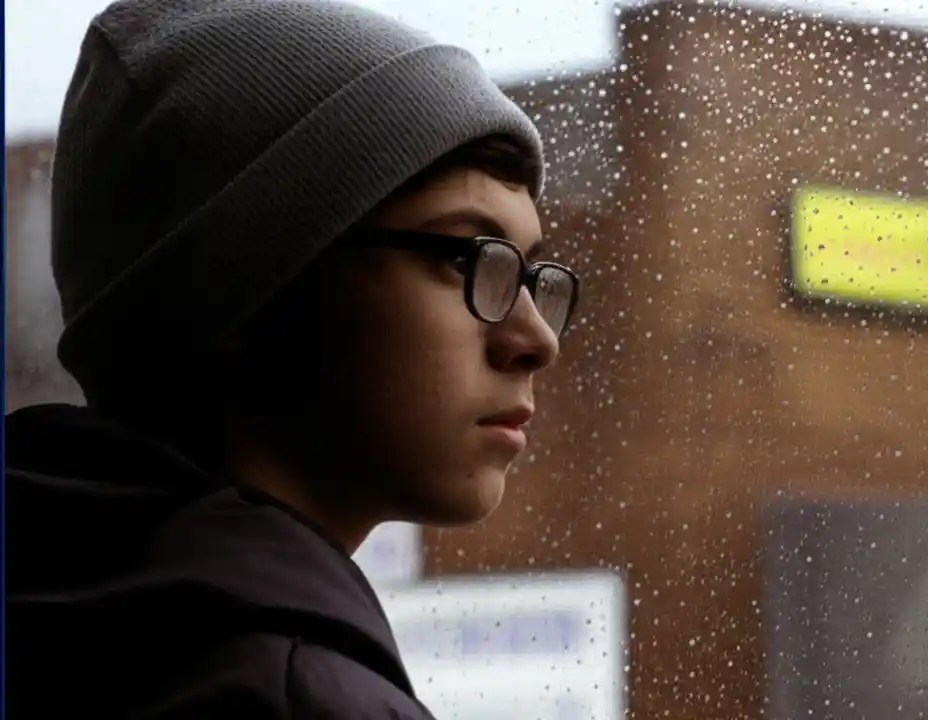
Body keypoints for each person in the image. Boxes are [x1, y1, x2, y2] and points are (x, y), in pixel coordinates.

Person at [6, 0, 579, 717]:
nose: (537, 340)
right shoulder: (288, 692)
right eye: (468, 258)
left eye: (530, 276)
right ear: (239, 285)